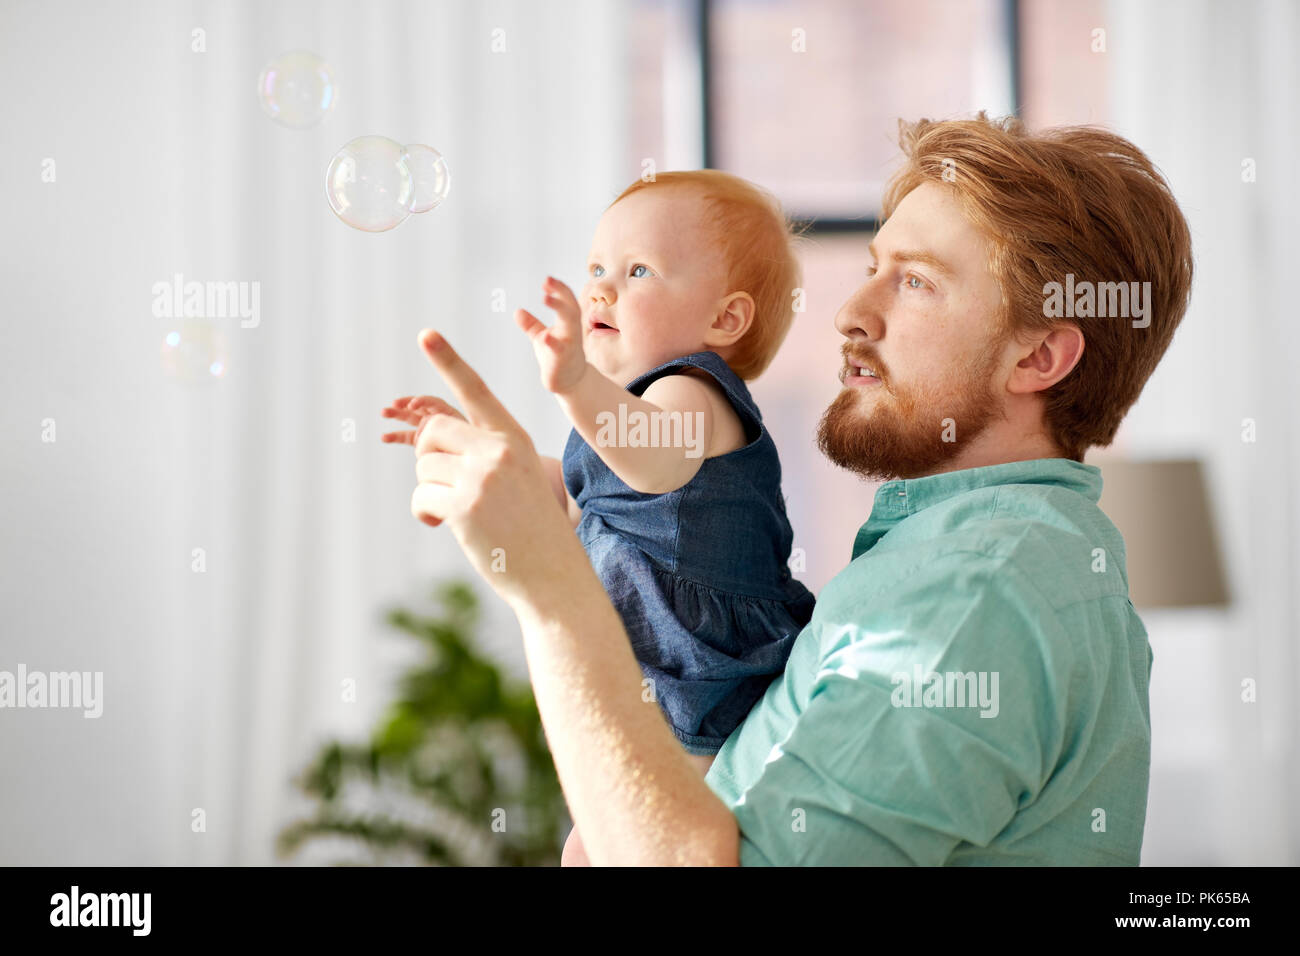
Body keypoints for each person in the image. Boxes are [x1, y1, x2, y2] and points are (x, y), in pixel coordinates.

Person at [391, 113, 1194, 865]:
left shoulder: (976, 592)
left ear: (1038, 359)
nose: (850, 312)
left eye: (916, 282)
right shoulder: (974, 560)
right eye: (874, 268)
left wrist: (549, 593)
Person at [385, 170, 816, 865]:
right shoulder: (619, 418)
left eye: (637, 270)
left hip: (708, 672)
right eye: (595, 269)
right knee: (588, 849)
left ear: (725, 320)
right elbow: (567, 500)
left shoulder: (694, 393)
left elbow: (653, 460)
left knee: (644, 841)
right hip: (651, 671)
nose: (601, 289)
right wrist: (475, 448)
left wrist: (576, 384)